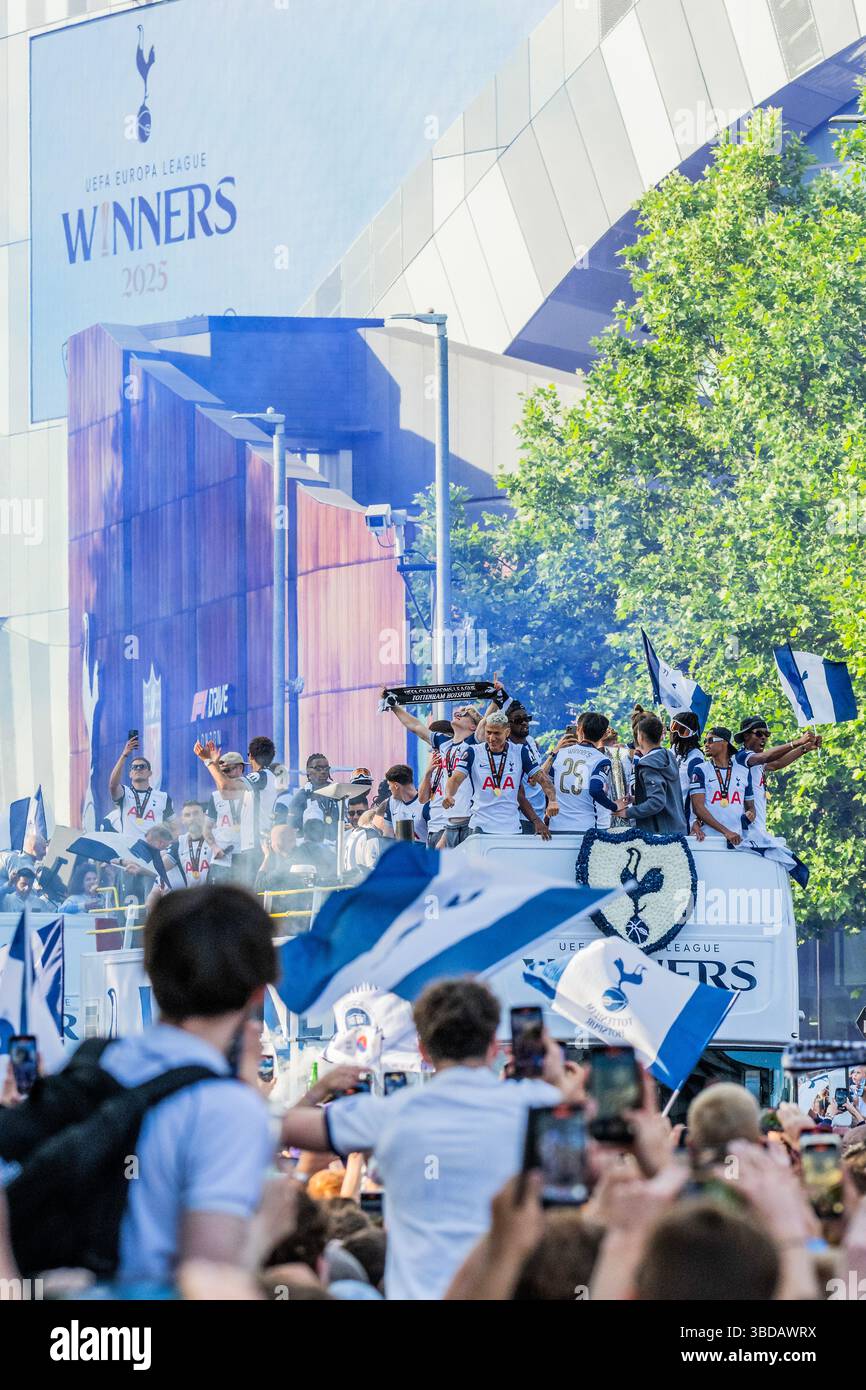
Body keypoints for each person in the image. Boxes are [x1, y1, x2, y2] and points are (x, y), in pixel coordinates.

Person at [279, 978, 579, 1300]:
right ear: (494, 1044)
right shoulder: (540, 1104)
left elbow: (276, 1128)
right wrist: (557, 1077)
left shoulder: (387, 1113)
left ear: (422, 1048)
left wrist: (320, 1089)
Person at [88, 884, 280, 1283]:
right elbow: (210, 1274)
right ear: (259, 991)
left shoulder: (95, 1062)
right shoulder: (225, 1107)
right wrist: (272, 1226)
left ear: (151, 970)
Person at [385, 696, 483, 847]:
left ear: (473, 727)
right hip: (439, 826)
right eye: (459, 711)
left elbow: (488, 722)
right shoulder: (443, 744)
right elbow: (415, 726)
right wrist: (394, 706)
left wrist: (498, 698)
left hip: (464, 822)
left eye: (465, 713)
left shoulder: (473, 744)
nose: (459, 712)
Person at [443, 711, 558, 837]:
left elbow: (542, 779)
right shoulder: (473, 752)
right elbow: (455, 779)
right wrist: (449, 795)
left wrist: (552, 801)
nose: (492, 738)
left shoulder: (520, 752)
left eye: (497, 733)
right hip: (481, 827)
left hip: (511, 828)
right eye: (488, 732)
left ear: (507, 732)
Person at [195, 737, 280, 884]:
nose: (227, 772)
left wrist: (207, 761)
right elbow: (226, 794)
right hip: (251, 848)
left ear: (250, 757)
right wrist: (215, 763)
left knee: (251, 898)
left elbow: (226, 788)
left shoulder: (261, 776)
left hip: (257, 847)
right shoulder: (264, 777)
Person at [733, 717, 820, 833]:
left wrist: (805, 748)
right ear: (746, 736)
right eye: (759, 733)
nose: (764, 737)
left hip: (758, 828)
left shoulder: (757, 759)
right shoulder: (742, 756)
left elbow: (777, 763)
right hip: (745, 830)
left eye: (767, 734)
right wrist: (797, 742)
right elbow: (766, 757)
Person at [545, 712, 625, 833]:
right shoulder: (601, 759)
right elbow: (595, 789)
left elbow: (547, 782)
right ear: (604, 735)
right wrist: (614, 806)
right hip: (585, 828)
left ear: (580, 729)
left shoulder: (561, 753)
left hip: (557, 825)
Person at [623, 714, 687, 836]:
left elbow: (656, 802)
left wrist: (628, 813)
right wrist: (638, 798)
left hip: (659, 835)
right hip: (677, 829)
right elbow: (666, 794)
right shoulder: (669, 756)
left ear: (640, 736)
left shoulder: (647, 764)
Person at [692, 725, 754, 844]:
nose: (706, 744)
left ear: (725, 742)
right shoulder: (700, 770)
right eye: (705, 741)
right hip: (708, 839)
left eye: (711, 740)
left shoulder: (744, 771)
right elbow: (698, 808)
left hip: (738, 840)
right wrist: (726, 832)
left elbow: (750, 806)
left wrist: (751, 813)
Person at [108, 737, 173, 834]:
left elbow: (172, 825)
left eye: (142, 766)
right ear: (130, 774)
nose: (138, 769)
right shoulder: (124, 792)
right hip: (129, 847)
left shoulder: (163, 797)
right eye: (134, 767)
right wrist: (124, 755)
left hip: (152, 847)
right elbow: (113, 785)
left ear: (150, 773)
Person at [273, 754, 340, 845]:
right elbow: (293, 831)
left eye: (326, 768)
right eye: (318, 768)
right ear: (308, 771)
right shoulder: (301, 798)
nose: (323, 772)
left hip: (337, 850)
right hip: (311, 852)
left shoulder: (338, 793)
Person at [204, 751, 246, 879]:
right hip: (222, 857)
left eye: (227, 770)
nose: (223, 775)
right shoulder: (216, 796)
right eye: (221, 771)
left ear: (240, 768)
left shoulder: (250, 791)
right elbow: (206, 828)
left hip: (245, 857)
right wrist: (214, 847)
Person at [507, 706, 548, 835]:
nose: (524, 722)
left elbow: (541, 775)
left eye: (526, 719)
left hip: (540, 812)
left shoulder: (531, 741)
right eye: (518, 720)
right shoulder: (508, 749)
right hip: (523, 816)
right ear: (508, 724)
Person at [362, 764, 426, 841]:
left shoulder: (425, 804)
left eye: (389, 785)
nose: (389, 788)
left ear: (396, 785)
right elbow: (388, 838)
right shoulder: (390, 803)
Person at [170, 801, 220, 886]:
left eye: (196, 813)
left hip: (214, 893)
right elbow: (163, 865)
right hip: (191, 896)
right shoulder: (180, 842)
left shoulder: (218, 837)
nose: (192, 818)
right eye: (187, 815)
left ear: (204, 816)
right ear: (183, 820)